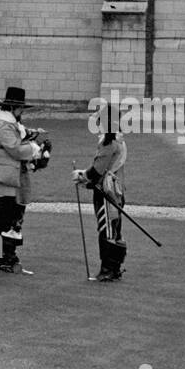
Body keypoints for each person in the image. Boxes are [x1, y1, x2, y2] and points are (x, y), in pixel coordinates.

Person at [0, 86, 51, 273]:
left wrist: (34, 136)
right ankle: (0, 259)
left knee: (7, 220)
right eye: (20, 109)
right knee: (3, 220)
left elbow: (21, 135)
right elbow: (16, 149)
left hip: (8, 177)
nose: (21, 112)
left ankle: (5, 257)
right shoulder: (3, 126)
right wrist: (35, 149)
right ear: (12, 108)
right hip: (5, 178)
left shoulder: (7, 123)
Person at [73, 115, 128, 282]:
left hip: (107, 192)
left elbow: (97, 170)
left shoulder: (109, 143)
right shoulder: (119, 141)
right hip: (116, 191)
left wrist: (82, 176)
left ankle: (108, 269)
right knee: (115, 230)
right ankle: (115, 268)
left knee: (107, 230)